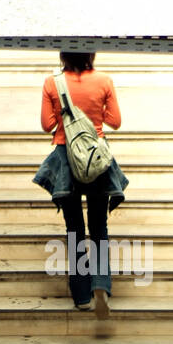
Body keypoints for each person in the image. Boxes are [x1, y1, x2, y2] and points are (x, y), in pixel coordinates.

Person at [36, 50, 125, 318]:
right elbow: (116, 122)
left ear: (63, 54)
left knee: (74, 227)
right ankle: (101, 284)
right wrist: (96, 116)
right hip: (96, 159)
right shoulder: (104, 80)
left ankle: (82, 295)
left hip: (66, 159)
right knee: (99, 226)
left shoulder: (53, 82)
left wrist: (66, 116)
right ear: (91, 53)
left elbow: (46, 124)